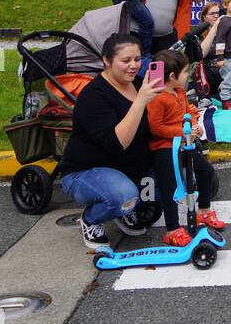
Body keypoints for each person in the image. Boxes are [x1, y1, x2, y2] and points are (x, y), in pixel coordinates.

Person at [60, 33, 160, 251]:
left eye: (137, 59)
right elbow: (117, 143)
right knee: (123, 196)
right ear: (106, 61)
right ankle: (91, 219)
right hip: (86, 171)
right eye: (126, 61)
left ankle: (125, 209)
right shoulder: (94, 96)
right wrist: (141, 102)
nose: (134, 66)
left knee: (172, 178)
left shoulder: (138, 84)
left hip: (127, 168)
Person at [145, 50, 225, 246]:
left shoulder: (179, 92)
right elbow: (155, 127)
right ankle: (172, 229)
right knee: (169, 187)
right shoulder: (157, 97)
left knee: (205, 171)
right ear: (172, 76)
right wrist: (181, 131)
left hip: (183, 145)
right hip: (164, 148)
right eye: (185, 72)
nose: (187, 75)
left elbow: (188, 111)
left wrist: (194, 120)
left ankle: (203, 210)